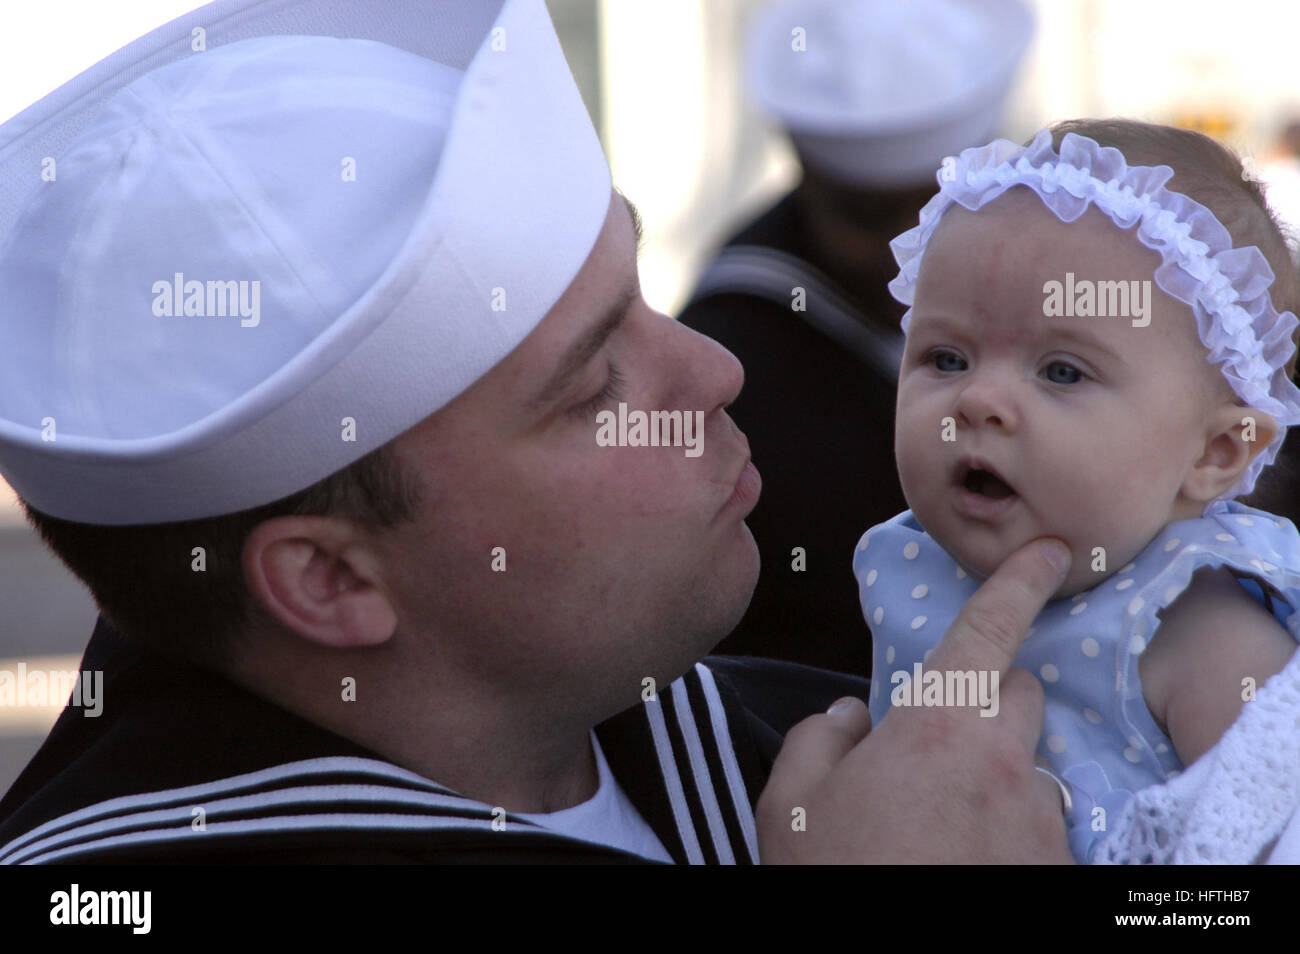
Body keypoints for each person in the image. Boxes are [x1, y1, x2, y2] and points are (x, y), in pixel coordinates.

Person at [0, 0, 1072, 865]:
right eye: (594, 387)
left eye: (641, 295)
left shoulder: (818, 751)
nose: (718, 371)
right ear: (329, 579)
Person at [855, 119, 1300, 863]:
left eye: (1062, 372)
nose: (978, 401)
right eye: (946, 357)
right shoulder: (906, 561)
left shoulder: (1198, 628)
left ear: (1216, 453)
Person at [678, 0, 1033, 674]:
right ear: (807, 181)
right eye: (873, 219)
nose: (910, 256)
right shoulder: (735, 355)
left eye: (939, 212)